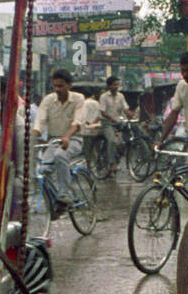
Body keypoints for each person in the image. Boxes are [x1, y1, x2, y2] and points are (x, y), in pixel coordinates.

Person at [31, 69, 85, 208]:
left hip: (74, 139)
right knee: (43, 171)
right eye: (55, 86)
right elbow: (40, 122)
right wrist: (30, 139)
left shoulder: (78, 99)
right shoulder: (48, 100)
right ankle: (57, 203)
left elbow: (77, 122)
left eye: (61, 86)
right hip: (53, 140)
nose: (57, 89)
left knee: (60, 155)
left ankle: (64, 194)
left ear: (69, 85)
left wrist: (67, 136)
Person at [98, 76, 134, 162]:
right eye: (114, 85)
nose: (117, 87)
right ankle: (112, 163)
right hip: (107, 122)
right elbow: (102, 112)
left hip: (118, 121)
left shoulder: (121, 96)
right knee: (112, 141)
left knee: (133, 131)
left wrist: (130, 115)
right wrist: (111, 119)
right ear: (109, 86)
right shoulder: (104, 97)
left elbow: (125, 109)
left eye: (118, 84)